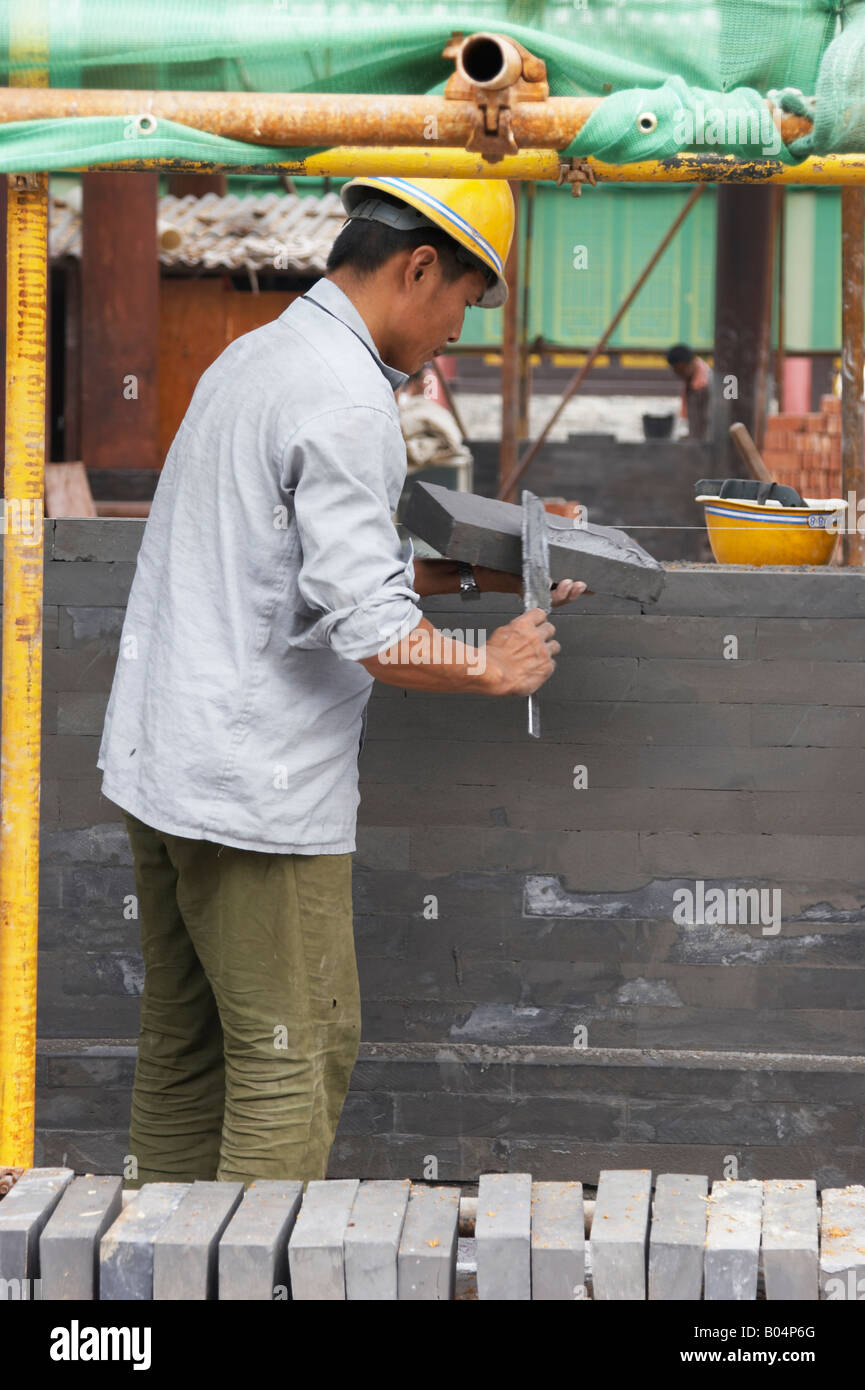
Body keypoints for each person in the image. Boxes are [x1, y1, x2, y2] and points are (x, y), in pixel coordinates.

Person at [97, 175, 587, 1188]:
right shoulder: (351, 397)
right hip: (253, 798)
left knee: (184, 1051)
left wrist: (475, 574)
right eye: (466, 301)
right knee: (295, 1055)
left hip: (164, 767)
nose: (458, 328)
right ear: (418, 268)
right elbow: (369, 628)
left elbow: (306, 572)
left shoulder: (261, 356)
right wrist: (488, 665)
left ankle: (156, 1280)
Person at [666, 342, 712, 441]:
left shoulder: (706, 383)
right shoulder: (691, 382)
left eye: (681, 370)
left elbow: (711, 423)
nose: (679, 375)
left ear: (689, 364)